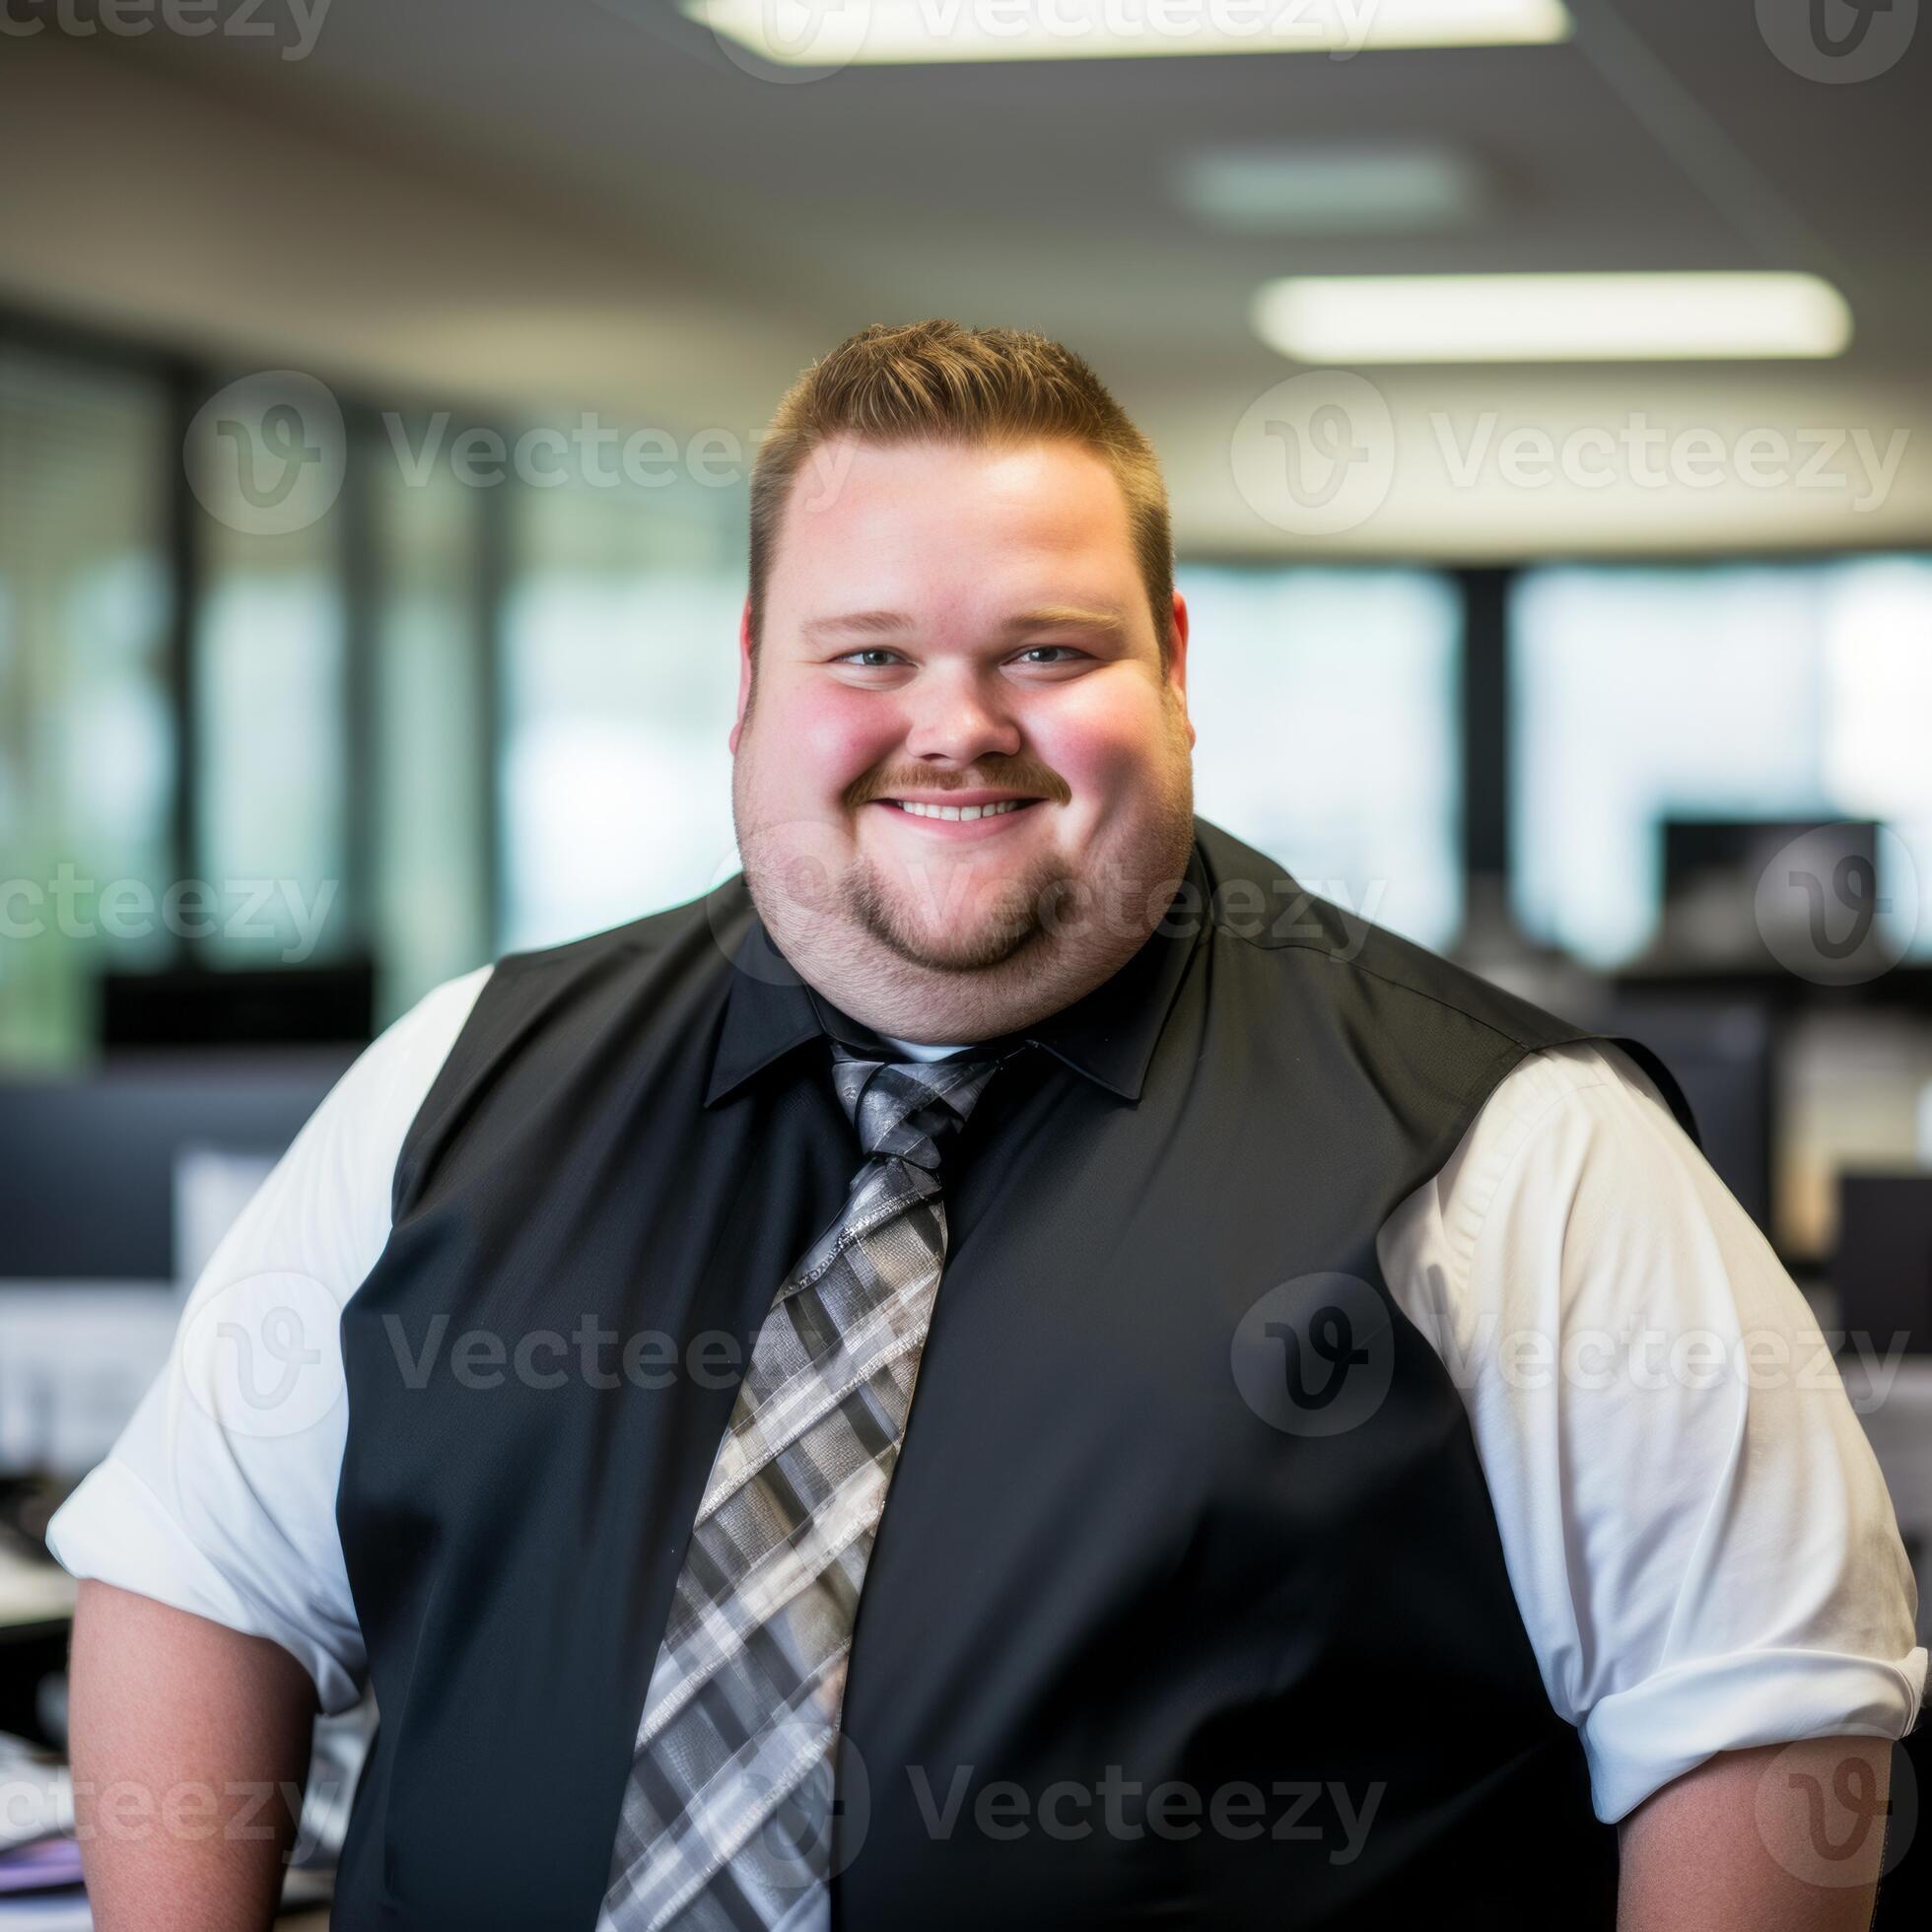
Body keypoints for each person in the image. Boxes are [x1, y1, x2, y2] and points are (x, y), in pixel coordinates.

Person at [52, 320, 1923, 1931]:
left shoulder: (1515, 1150)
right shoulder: (464, 1079)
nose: (955, 726)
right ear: (751, 682)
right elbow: (195, 1578)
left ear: (1176, 668)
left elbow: (1757, 1725)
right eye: (867, 655)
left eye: (1046, 651)